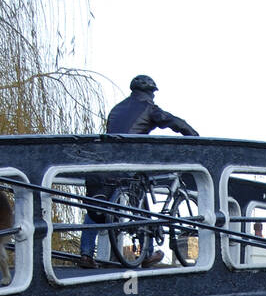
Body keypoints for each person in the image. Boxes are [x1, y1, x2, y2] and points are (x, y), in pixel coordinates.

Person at [78, 75, 199, 268]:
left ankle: (85, 254)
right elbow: (172, 121)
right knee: (140, 203)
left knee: (97, 205)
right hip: (128, 165)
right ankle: (148, 253)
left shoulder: (116, 108)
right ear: (150, 93)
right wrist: (193, 136)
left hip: (105, 163)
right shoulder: (149, 108)